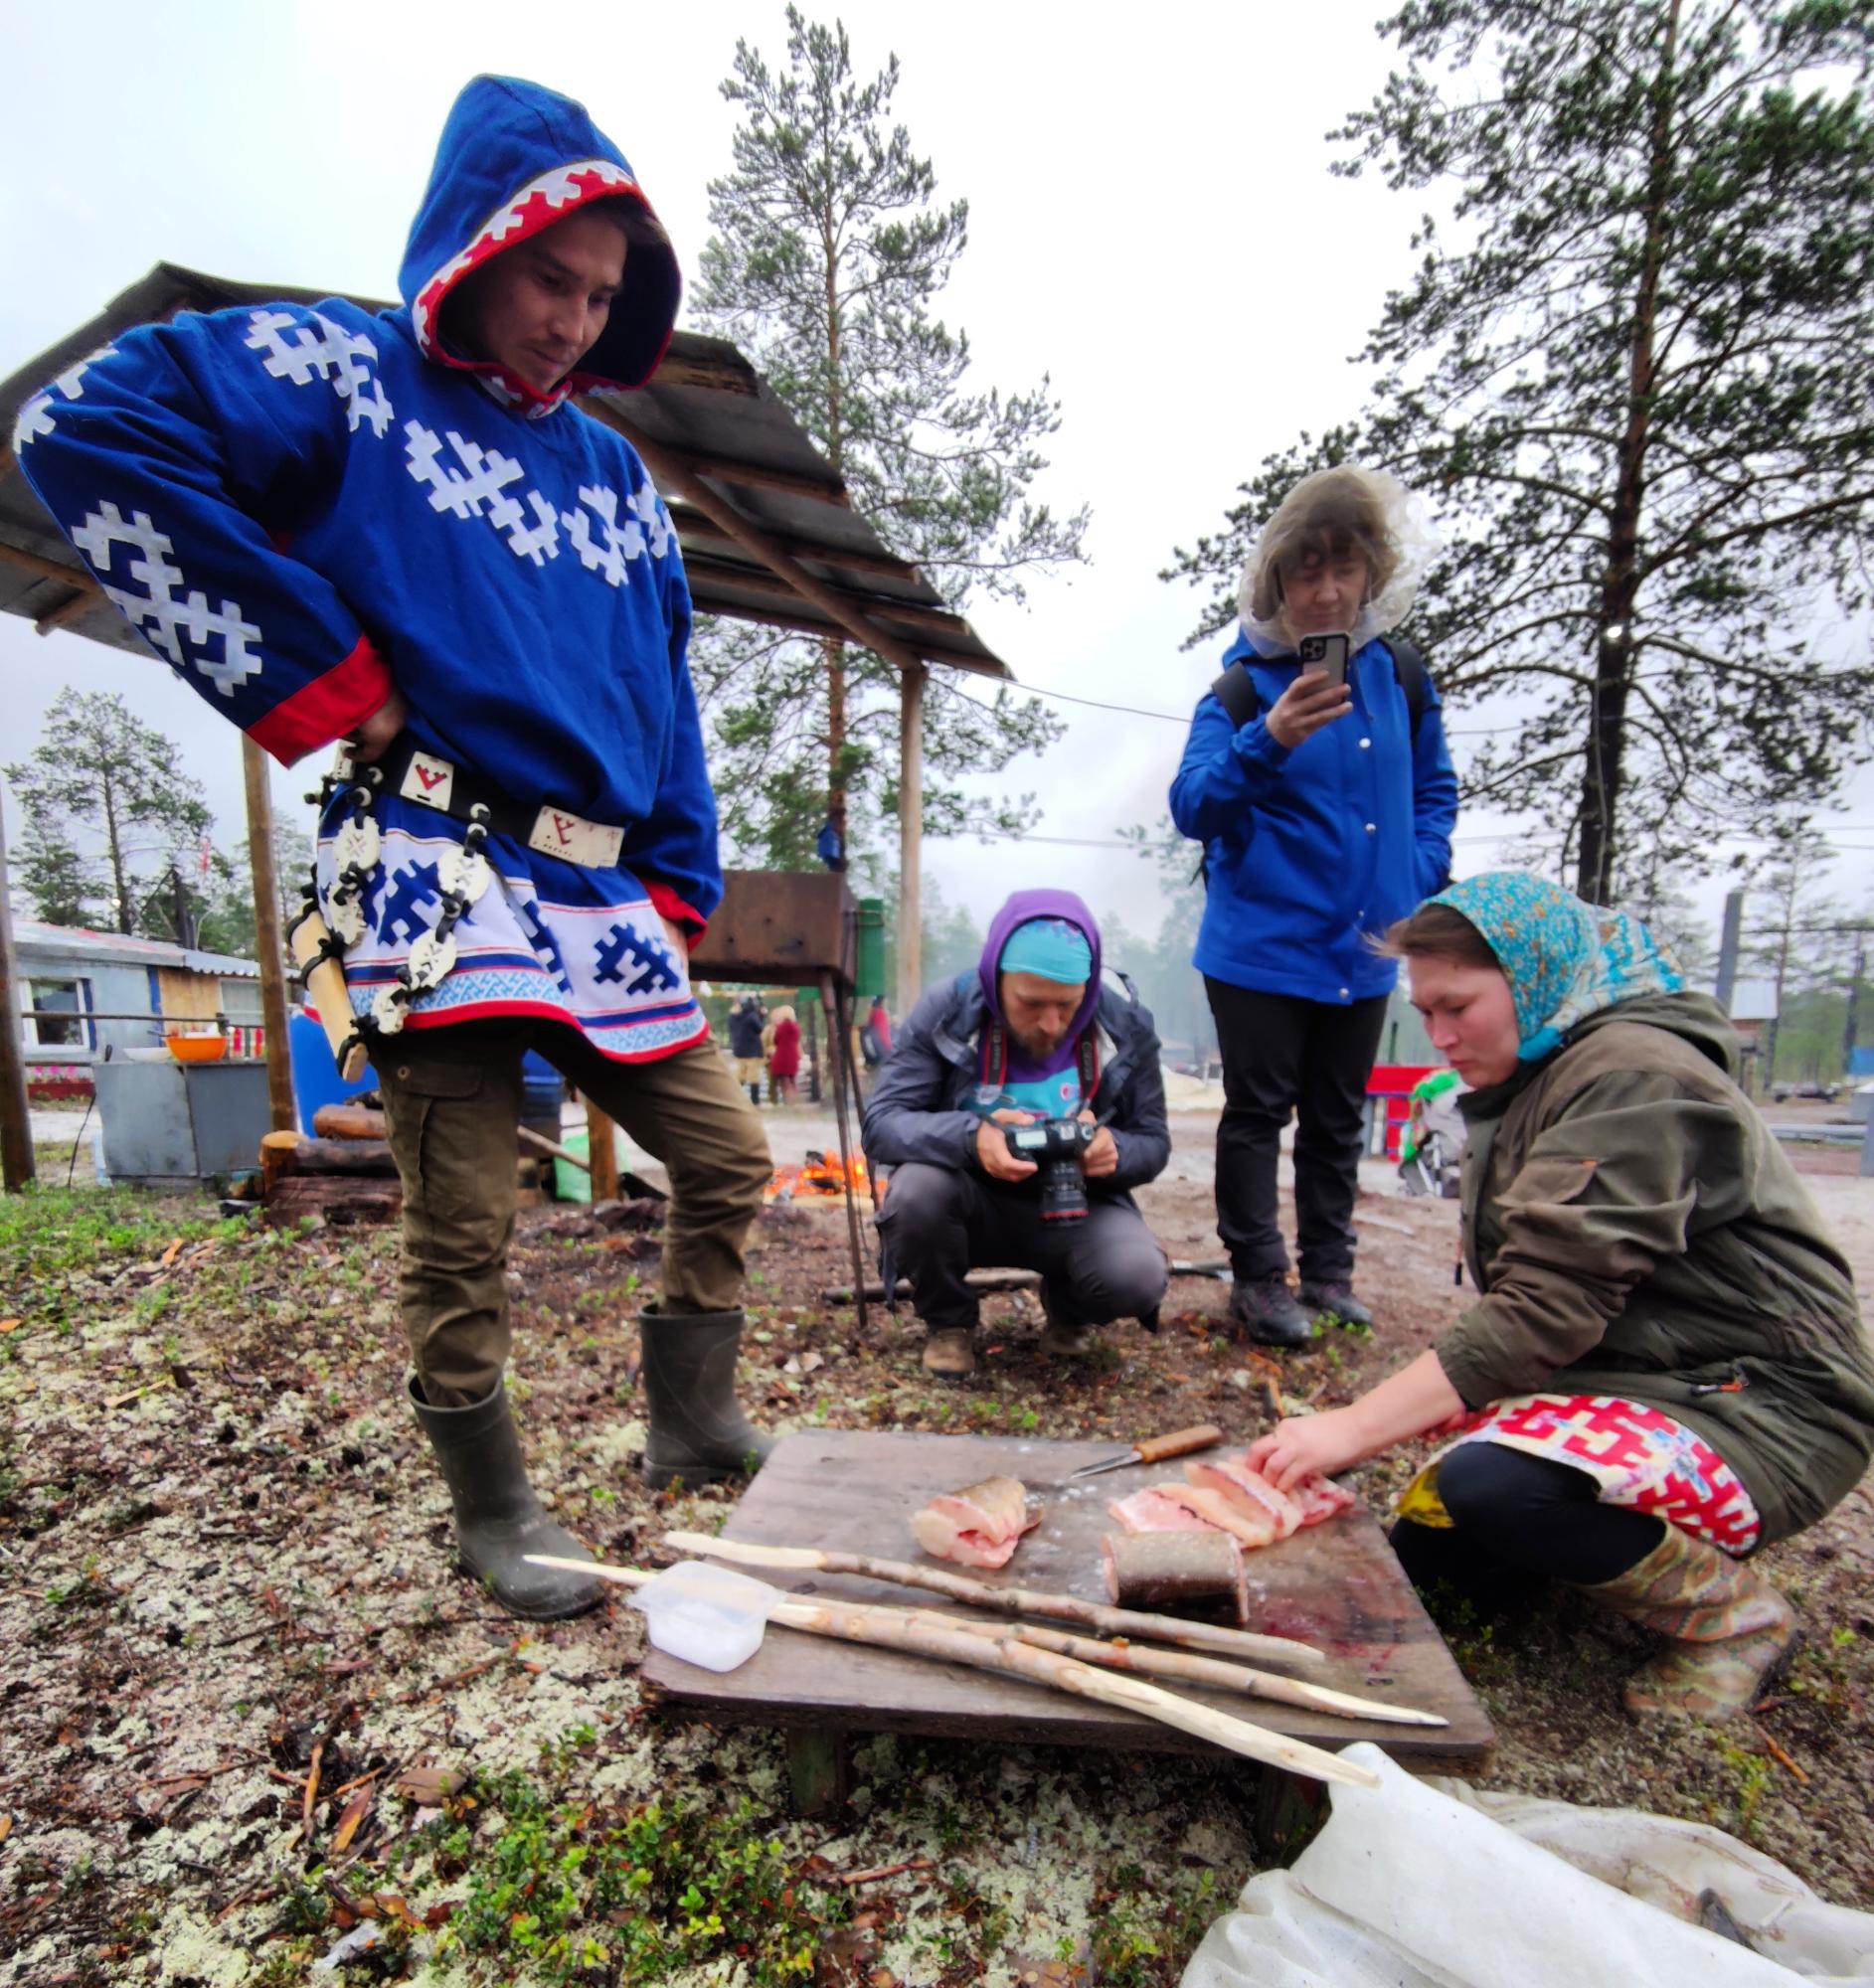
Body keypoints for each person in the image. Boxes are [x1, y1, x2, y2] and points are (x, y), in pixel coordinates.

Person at [14, 75, 775, 1621]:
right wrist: (327, 677)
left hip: (599, 879)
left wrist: (680, 875)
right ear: (477, 246)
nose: (572, 319)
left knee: (728, 1158)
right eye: (551, 278)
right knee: (467, 1217)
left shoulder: (622, 481)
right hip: (438, 865)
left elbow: (664, 687)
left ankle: (690, 1417)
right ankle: (496, 1506)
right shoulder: (343, 369)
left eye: (602, 296)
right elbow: (83, 430)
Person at [1249, 873, 1874, 1720]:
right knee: (1430, 1564)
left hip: (1764, 1403)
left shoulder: (1631, 1077)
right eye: (1422, 1011)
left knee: (1497, 1490)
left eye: (1455, 1007)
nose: (1436, 1036)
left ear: (1533, 974)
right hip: (1651, 1382)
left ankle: (1735, 1620)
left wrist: (1353, 1427)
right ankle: (1589, 1548)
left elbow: (1545, 1307)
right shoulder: (1541, 1076)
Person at [1170, 466, 1458, 1347]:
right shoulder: (1237, 692)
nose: (1326, 591)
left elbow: (1434, 790)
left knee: (1339, 1116)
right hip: (1260, 946)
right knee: (1258, 1114)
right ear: (1277, 582)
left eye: (1344, 569)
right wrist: (1270, 738)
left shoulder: (1400, 678)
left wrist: (1416, 875)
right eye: (1306, 572)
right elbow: (1193, 806)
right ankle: (1258, 1279)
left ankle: (1328, 1270)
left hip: (1366, 945)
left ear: (1371, 573)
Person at [862, 892, 1170, 1378]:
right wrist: (971, 1137)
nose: (1051, 1024)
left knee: (1136, 1277)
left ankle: (1070, 1309)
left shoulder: (1124, 1023)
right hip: (969, 1199)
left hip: (1078, 1199)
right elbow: (882, 1123)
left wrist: (1117, 1151)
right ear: (995, 979)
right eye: (1030, 1003)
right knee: (916, 1192)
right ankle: (948, 1322)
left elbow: (1154, 1141)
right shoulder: (949, 1009)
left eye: (1069, 1006)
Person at [728, 994, 767, 1107]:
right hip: (752, 1051)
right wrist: (762, 1016)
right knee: (753, 1076)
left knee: (740, 1076)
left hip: (739, 1050)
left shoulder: (732, 1016)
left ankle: (733, 1098)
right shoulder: (751, 1016)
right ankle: (755, 1101)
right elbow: (759, 1028)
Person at [768, 1005, 801, 1104]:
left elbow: (776, 1040)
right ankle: (794, 1101)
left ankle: (789, 1102)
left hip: (782, 1056)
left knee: (785, 1081)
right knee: (792, 1080)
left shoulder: (781, 1027)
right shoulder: (796, 1027)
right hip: (793, 1056)